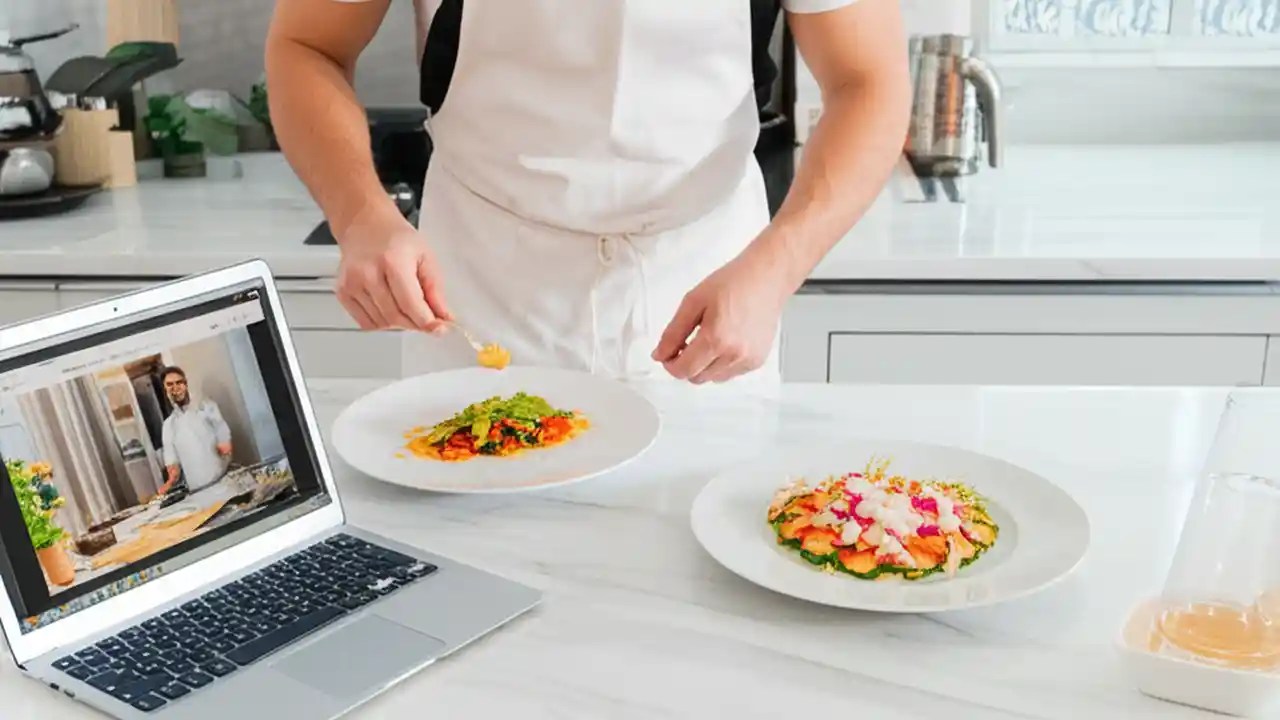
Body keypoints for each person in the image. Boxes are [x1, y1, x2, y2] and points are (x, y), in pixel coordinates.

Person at [265, 0, 910, 384]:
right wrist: (360, 216)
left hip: (707, 293)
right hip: (480, 294)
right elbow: (308, 46)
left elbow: (868, 79)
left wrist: (777, 269)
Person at [157, 367, 233, 496]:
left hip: (222, 483)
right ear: (165, 390)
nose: (175, 388)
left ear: (185, 384)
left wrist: (224, 444)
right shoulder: (168, 426)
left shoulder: (207, 407)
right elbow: (172, 465)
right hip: (197, 491)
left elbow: (223, 436)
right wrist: (170, 482)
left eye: (179, 382)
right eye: (170, 385)